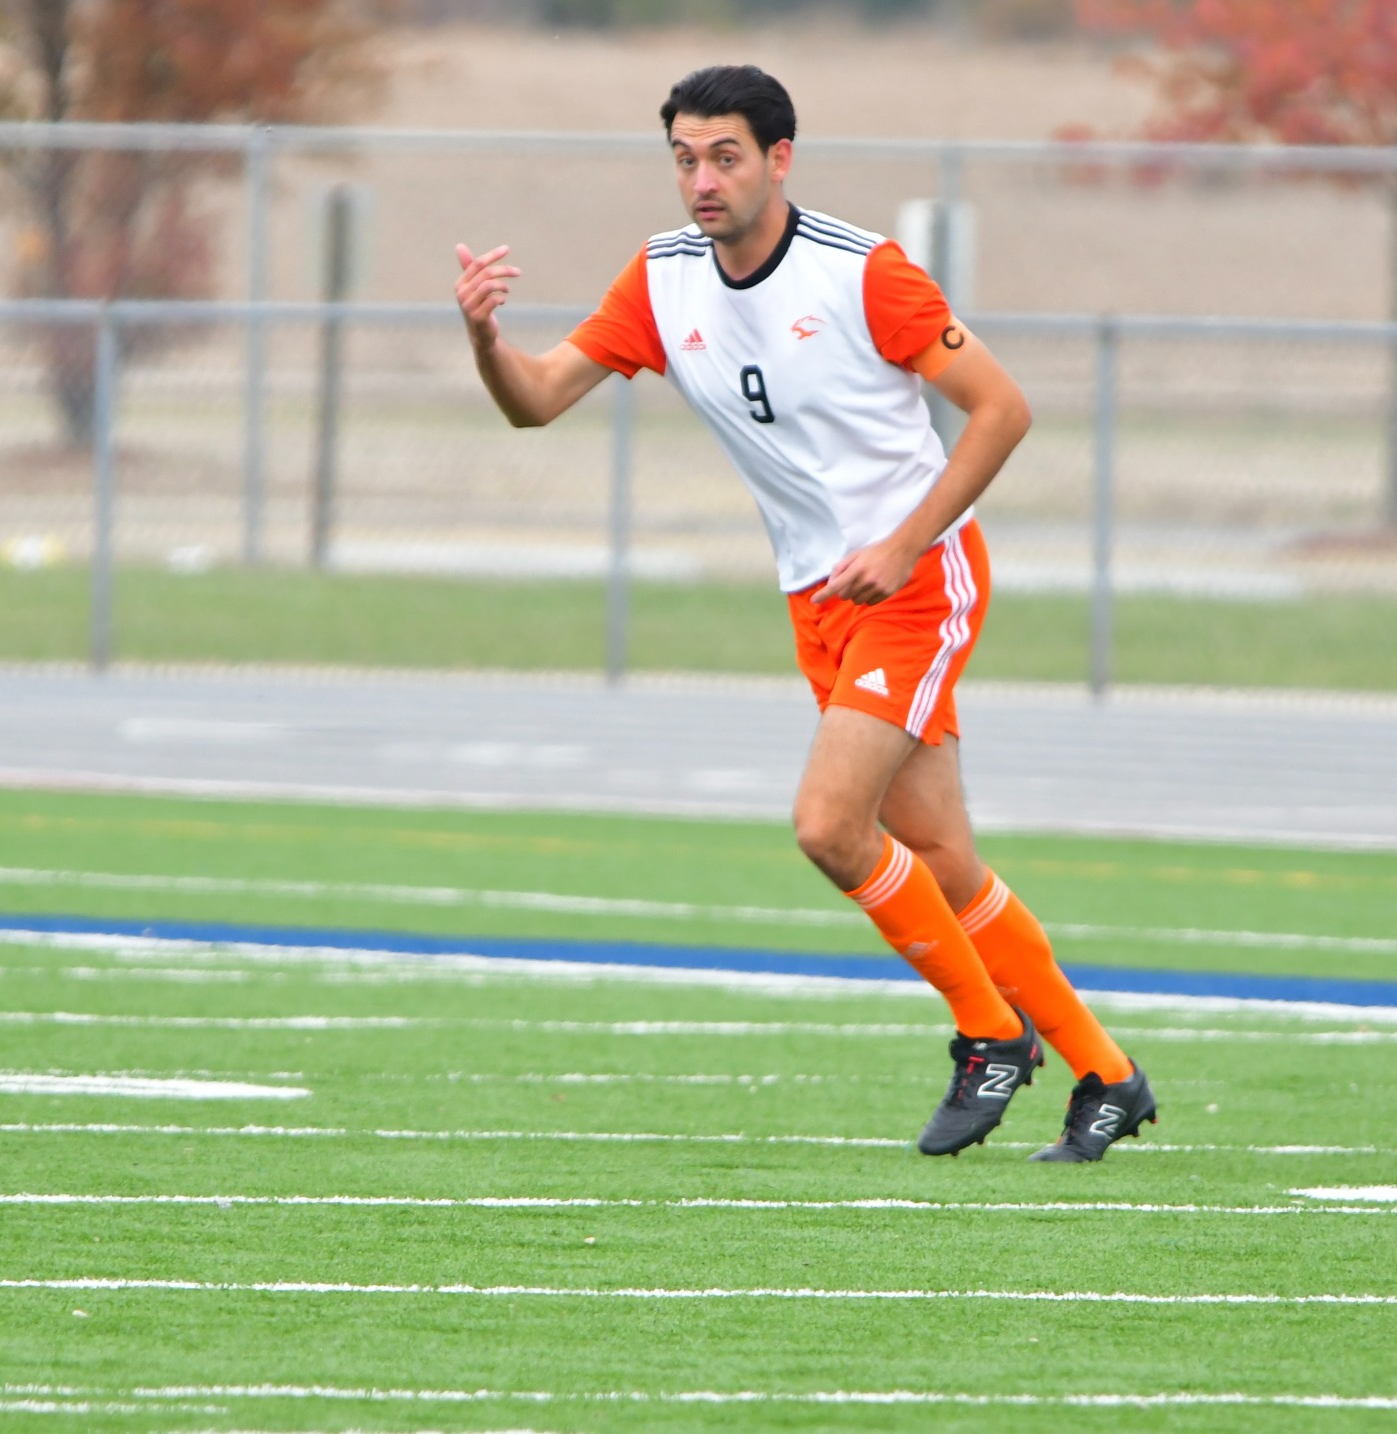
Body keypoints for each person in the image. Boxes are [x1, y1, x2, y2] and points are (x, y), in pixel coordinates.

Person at [452, 64, 1155, 1161]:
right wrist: (486, 341)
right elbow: (535, 401)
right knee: (941, 855)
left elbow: (1000, 411)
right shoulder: (661, 279)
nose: (700, 179)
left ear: (778, 159)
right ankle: (1106, 1076)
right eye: (683, 157)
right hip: (818, 598)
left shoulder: (858, 271)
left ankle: (988, 1034)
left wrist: (903, 540)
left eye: (723, 155)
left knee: (829, 826)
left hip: (916, 582)